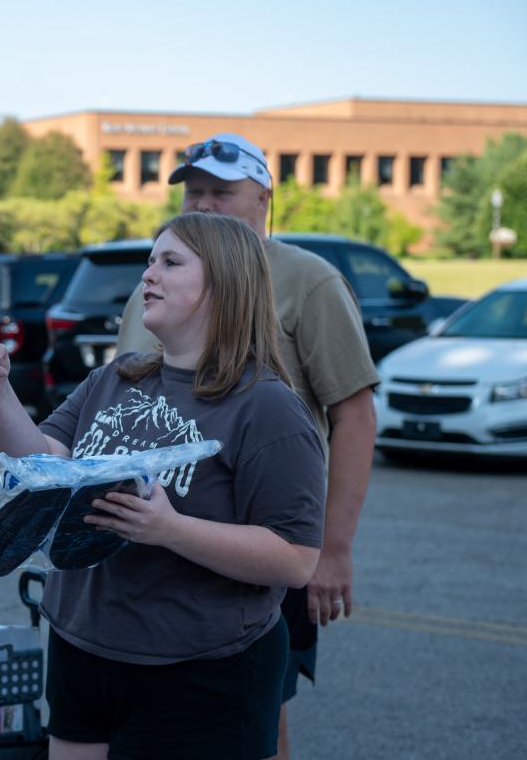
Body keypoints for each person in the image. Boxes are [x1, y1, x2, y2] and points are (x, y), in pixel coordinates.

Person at [0, 213, 327, 760]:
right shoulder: (116, 377)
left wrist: (171, 529)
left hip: (202, 668)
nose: (147, 276)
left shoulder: (268, 407)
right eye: (149, 262)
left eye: (170, 262)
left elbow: (296, 559)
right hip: (82, 645)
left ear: (224, 285)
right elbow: (42, 463)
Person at [115, 132, 379, 759]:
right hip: (150, 544)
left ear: (263, 197)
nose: (203, 205)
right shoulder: (158, 281)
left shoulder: (308, 281)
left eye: (221, 192)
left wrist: (332, 551)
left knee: (255, 715)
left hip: (258, 544)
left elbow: (355, 416)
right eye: (193, 192)